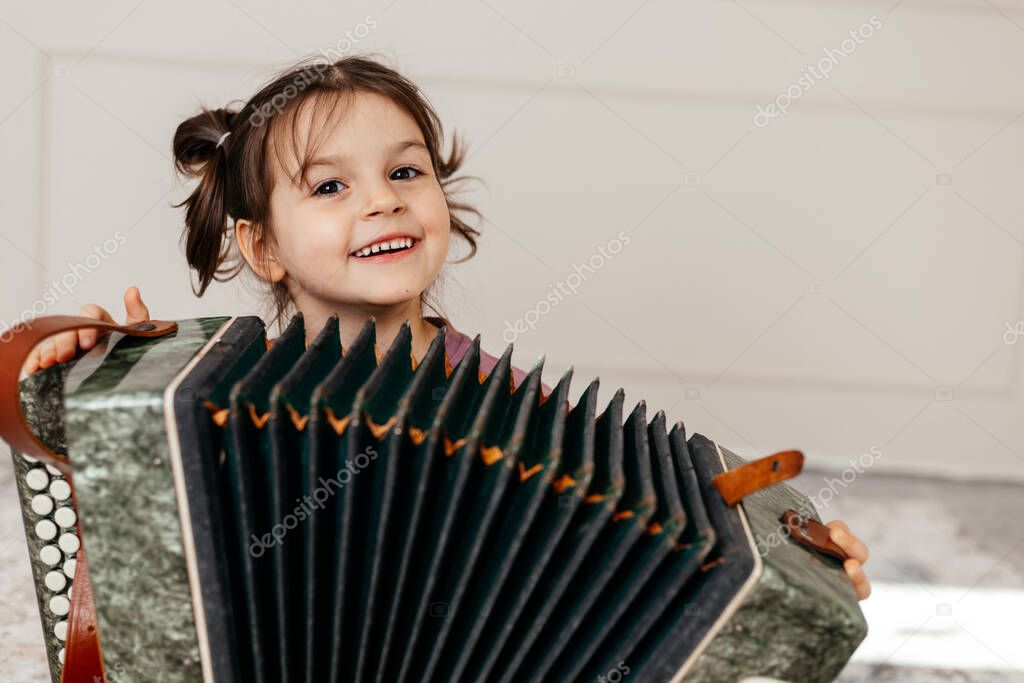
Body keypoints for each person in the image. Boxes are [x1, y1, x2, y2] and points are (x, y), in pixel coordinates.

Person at [20, 55, 870, 600]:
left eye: (404, 171)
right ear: (263, 246)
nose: (381, 200)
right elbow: (96, 485)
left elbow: (637, 552)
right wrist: (88, 378)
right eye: (329, 186)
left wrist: (786, 568)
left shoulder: (510, 409)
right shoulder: (200, 390)